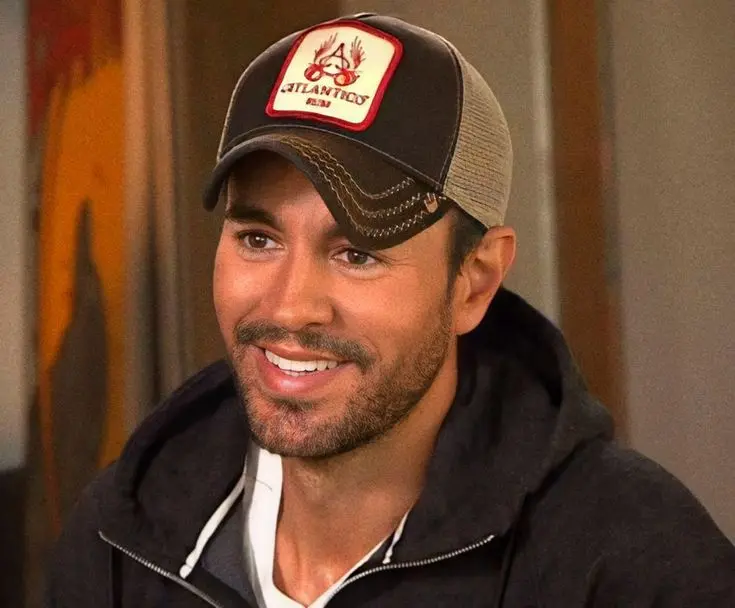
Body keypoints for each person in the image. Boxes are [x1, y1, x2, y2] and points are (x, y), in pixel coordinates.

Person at [47, 13, 735, 608]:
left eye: (356, 253)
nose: (290, 306)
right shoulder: (123, 538)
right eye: (258, 239)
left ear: (474, 282)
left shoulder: (628, 563)